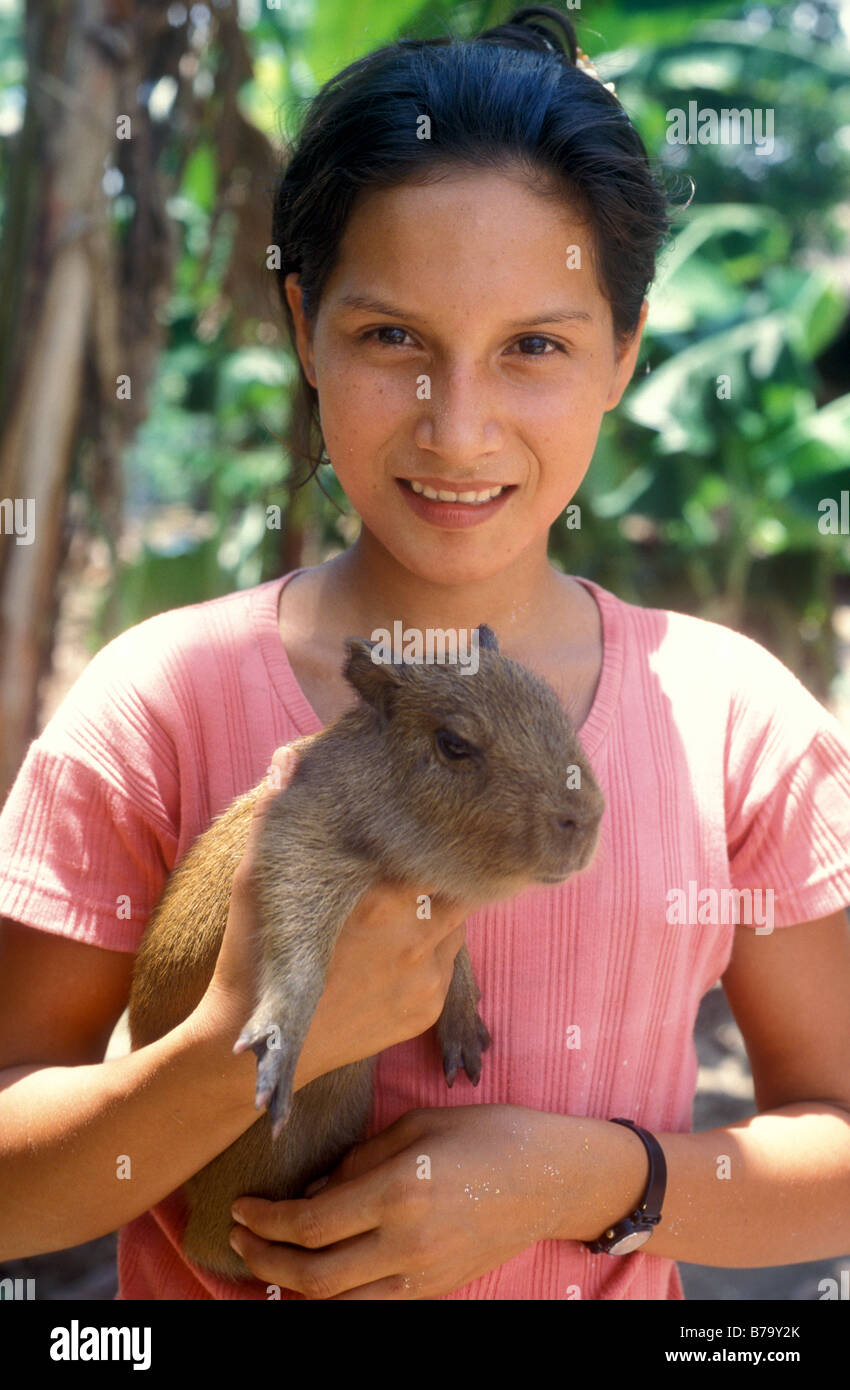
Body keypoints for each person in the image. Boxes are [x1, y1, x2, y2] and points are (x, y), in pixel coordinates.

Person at [2, 5, 850, 1302]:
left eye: (534, 347)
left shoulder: (736, 727)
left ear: (621, 352)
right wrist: (240, 1047)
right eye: (392, 337)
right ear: (303, 324)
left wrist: (582, 1180)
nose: (457, 427)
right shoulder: (155, 705)